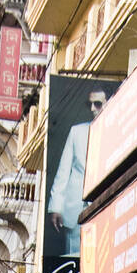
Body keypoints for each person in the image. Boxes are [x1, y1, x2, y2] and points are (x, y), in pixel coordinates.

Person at [48, 88, 107, 255]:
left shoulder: (116, 131)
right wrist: (56, 207)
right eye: (90, 104)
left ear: (109, 102)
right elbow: (63, 171)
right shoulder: (77, 132)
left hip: (104, 206)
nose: (92, 109)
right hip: (75, 210)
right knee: (73, 259)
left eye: (98, 104)